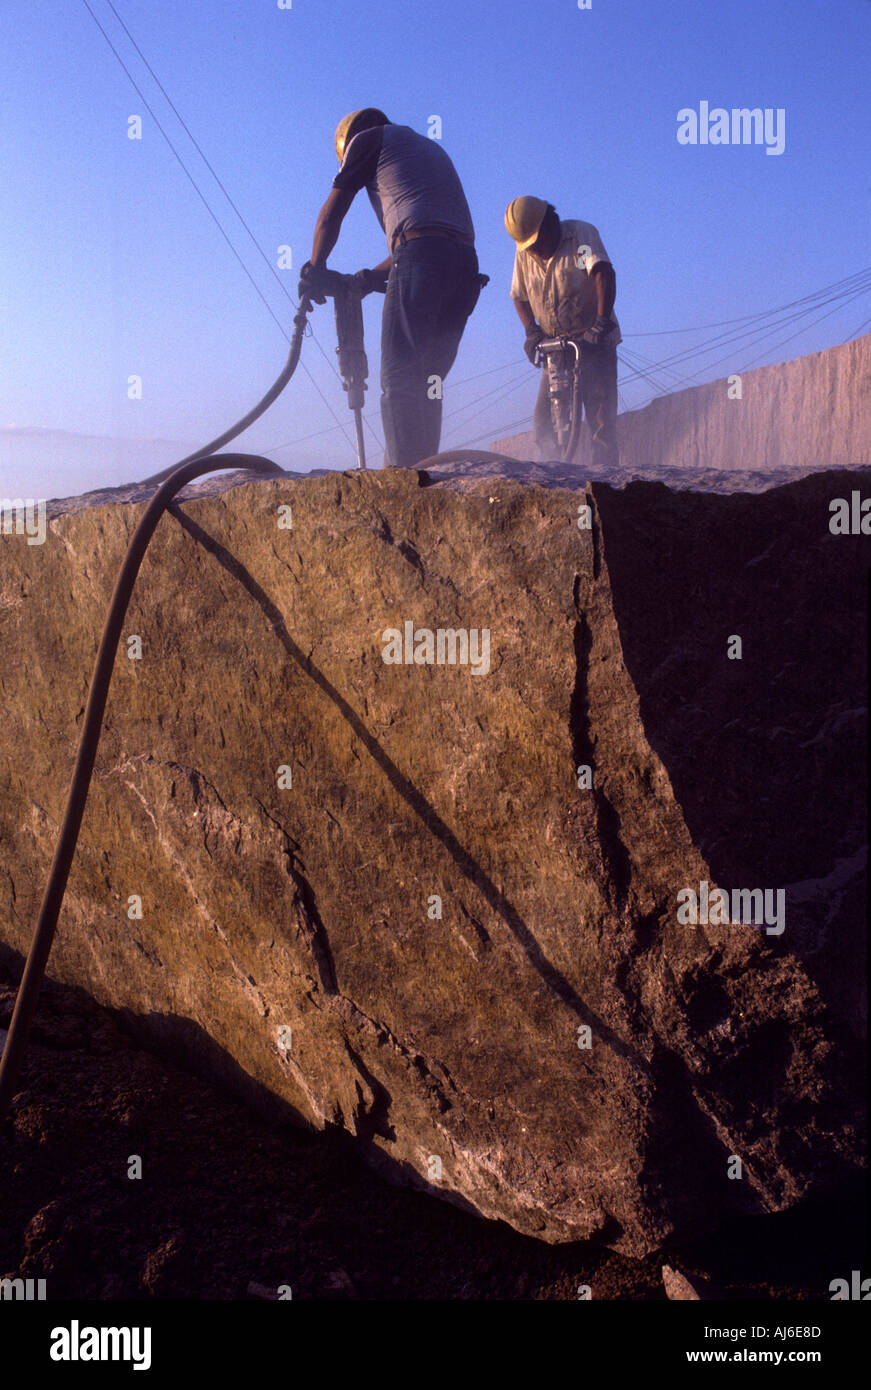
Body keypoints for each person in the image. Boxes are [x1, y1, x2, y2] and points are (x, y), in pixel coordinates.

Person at [300, 109, 484, 469]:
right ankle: (426, 472)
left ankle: (403, 480)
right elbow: (428, 234)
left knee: (400, 377)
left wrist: (315, 268)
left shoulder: (366, 141)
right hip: (464, 266)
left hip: (422, 258)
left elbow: (331, 213)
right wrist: (369, 278)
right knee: (430, 378)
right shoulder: (423, 148)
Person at [505, 196, 620, 467]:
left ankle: (603, 482)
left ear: (550, 225)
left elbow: (602, 274)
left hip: (592, 342)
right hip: (556, 347)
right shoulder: (525, 251)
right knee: (544, 422)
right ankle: (556, 474)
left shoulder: (579, 238)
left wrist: (601, 322)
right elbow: (519, 295)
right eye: (528, 247)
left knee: (600, 424)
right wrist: (531, 331)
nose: (533, 251)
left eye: (536, 244)